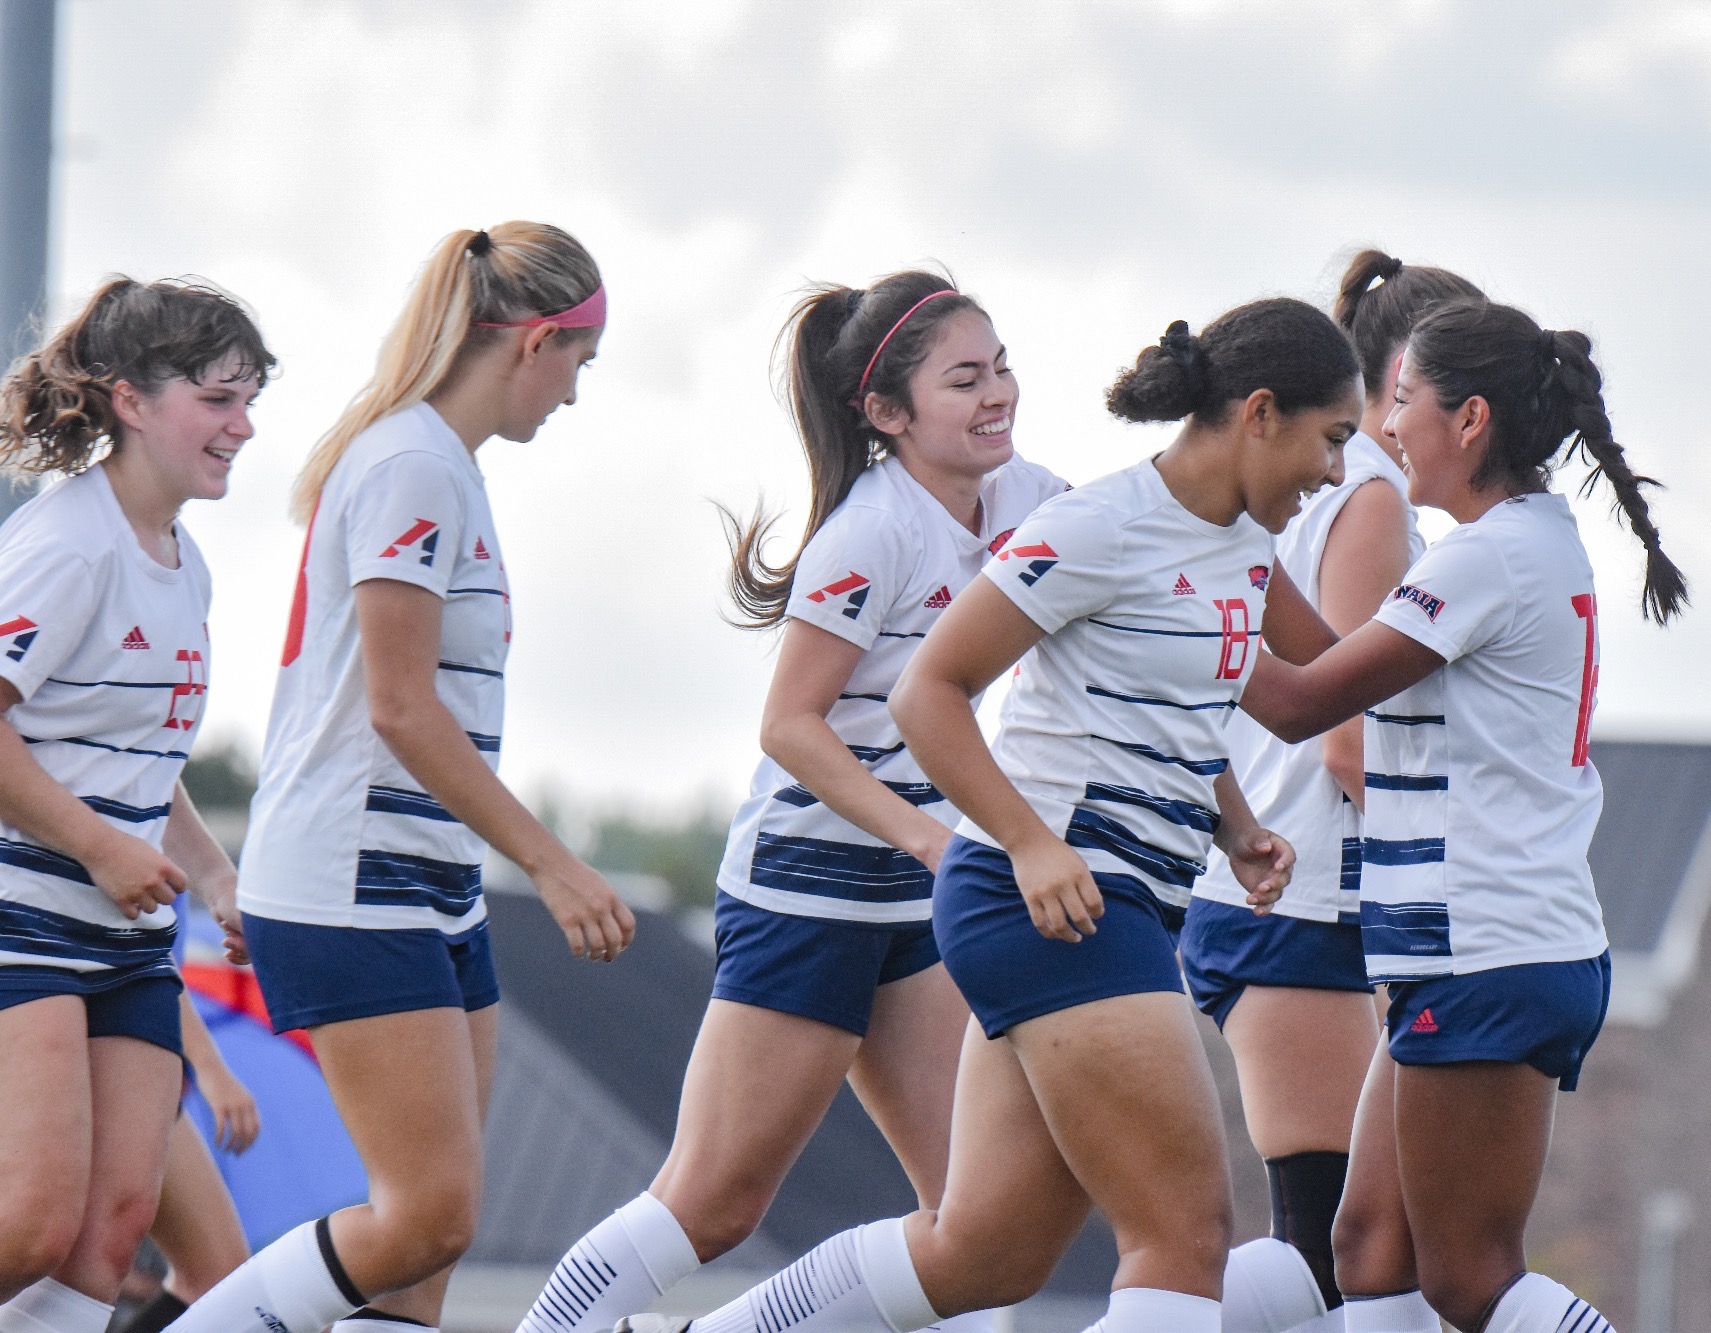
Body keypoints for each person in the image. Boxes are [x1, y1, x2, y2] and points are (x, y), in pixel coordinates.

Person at [663, 298, 1364, 1333]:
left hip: (1100, 898)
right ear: (1259, 413)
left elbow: (1285, 687)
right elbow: (924, 693)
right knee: (1183, 1238)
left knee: (983, 1252)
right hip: (1055, 897)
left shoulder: (1243, 547)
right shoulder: (1097, 523)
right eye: (1333, 439)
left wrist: (1233, 824)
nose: (1336, 473)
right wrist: (1030, 844)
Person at [514, 271, 1063, 1333]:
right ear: (886, 414)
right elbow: (788, 726)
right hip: (807, 885)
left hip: (916, 893)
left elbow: (1135, 555)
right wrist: (932, 838)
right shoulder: (870, 532)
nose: (997, 393)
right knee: (713, 1202)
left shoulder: (1030, 498)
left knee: (980, 1221)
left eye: (999, 366)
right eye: (964, 379)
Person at [160, 223, 636, 1333]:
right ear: (532, 342)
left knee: (428, 1253)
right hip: (352, 881)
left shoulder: (432, 462)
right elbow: (401, 705)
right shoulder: (414, 461)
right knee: (424, 1215)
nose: (573, 395)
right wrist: (554, 865)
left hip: (421, 883)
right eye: (581, 361)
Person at [1238, 299, 1687, 1333]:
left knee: (1467, 1278)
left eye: (1401, 400)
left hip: (1484, 946)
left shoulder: (1480, 558)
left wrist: (1183, 588)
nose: (1384, 428)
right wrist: (1225, 543)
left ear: (1469, 419)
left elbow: (1303, 700)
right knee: (1367, 1248)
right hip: (1474, 949)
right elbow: (1325, 663)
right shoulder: (1516, 540)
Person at [1178, 251, 1483, 1330]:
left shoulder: (1342, 487)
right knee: (1335, 1253)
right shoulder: (1371, 496)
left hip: (1279, 897)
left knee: (1343, 1253)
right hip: (1298, 905)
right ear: (1405, 369)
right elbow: (1351, 742)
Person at [0, 278, 268, 1333]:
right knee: (28, 1222)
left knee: (110, 1234)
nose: (242, 426)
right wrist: (103, 849)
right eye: (217, 398)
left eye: (249, 400)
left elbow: (137, 764)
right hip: (21, 920)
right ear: (130, 401)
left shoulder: (184, 562)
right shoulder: (68, 544)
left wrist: (214, 875)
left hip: (130, 944)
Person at [117, 990, 262, 1333]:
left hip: (141, 1054)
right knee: (63, 1259)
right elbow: (141, 948)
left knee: (220, 1283)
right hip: (104, 1036)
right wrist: (209, 1068)